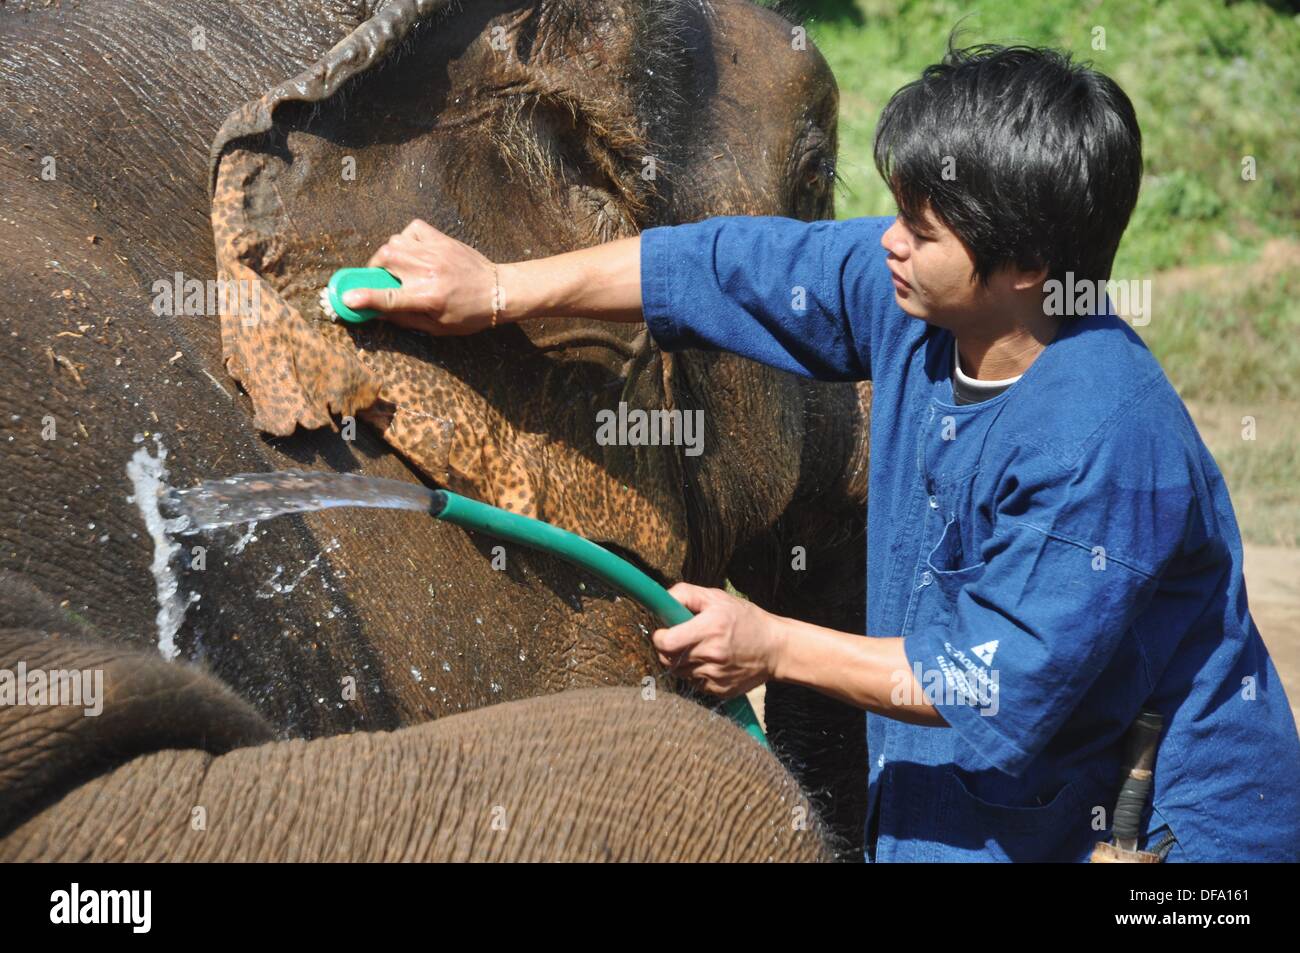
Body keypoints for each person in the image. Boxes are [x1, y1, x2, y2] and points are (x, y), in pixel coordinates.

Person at [342, 43, 1300, 862]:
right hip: (999, 792)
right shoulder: (923, 295)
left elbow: (984, 679)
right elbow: (721, 268)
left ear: (1026, 268)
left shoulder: (1103, 442)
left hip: (1163, 839)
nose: (885, 243)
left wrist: (773, 645)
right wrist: (499, 289)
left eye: (920, 231)